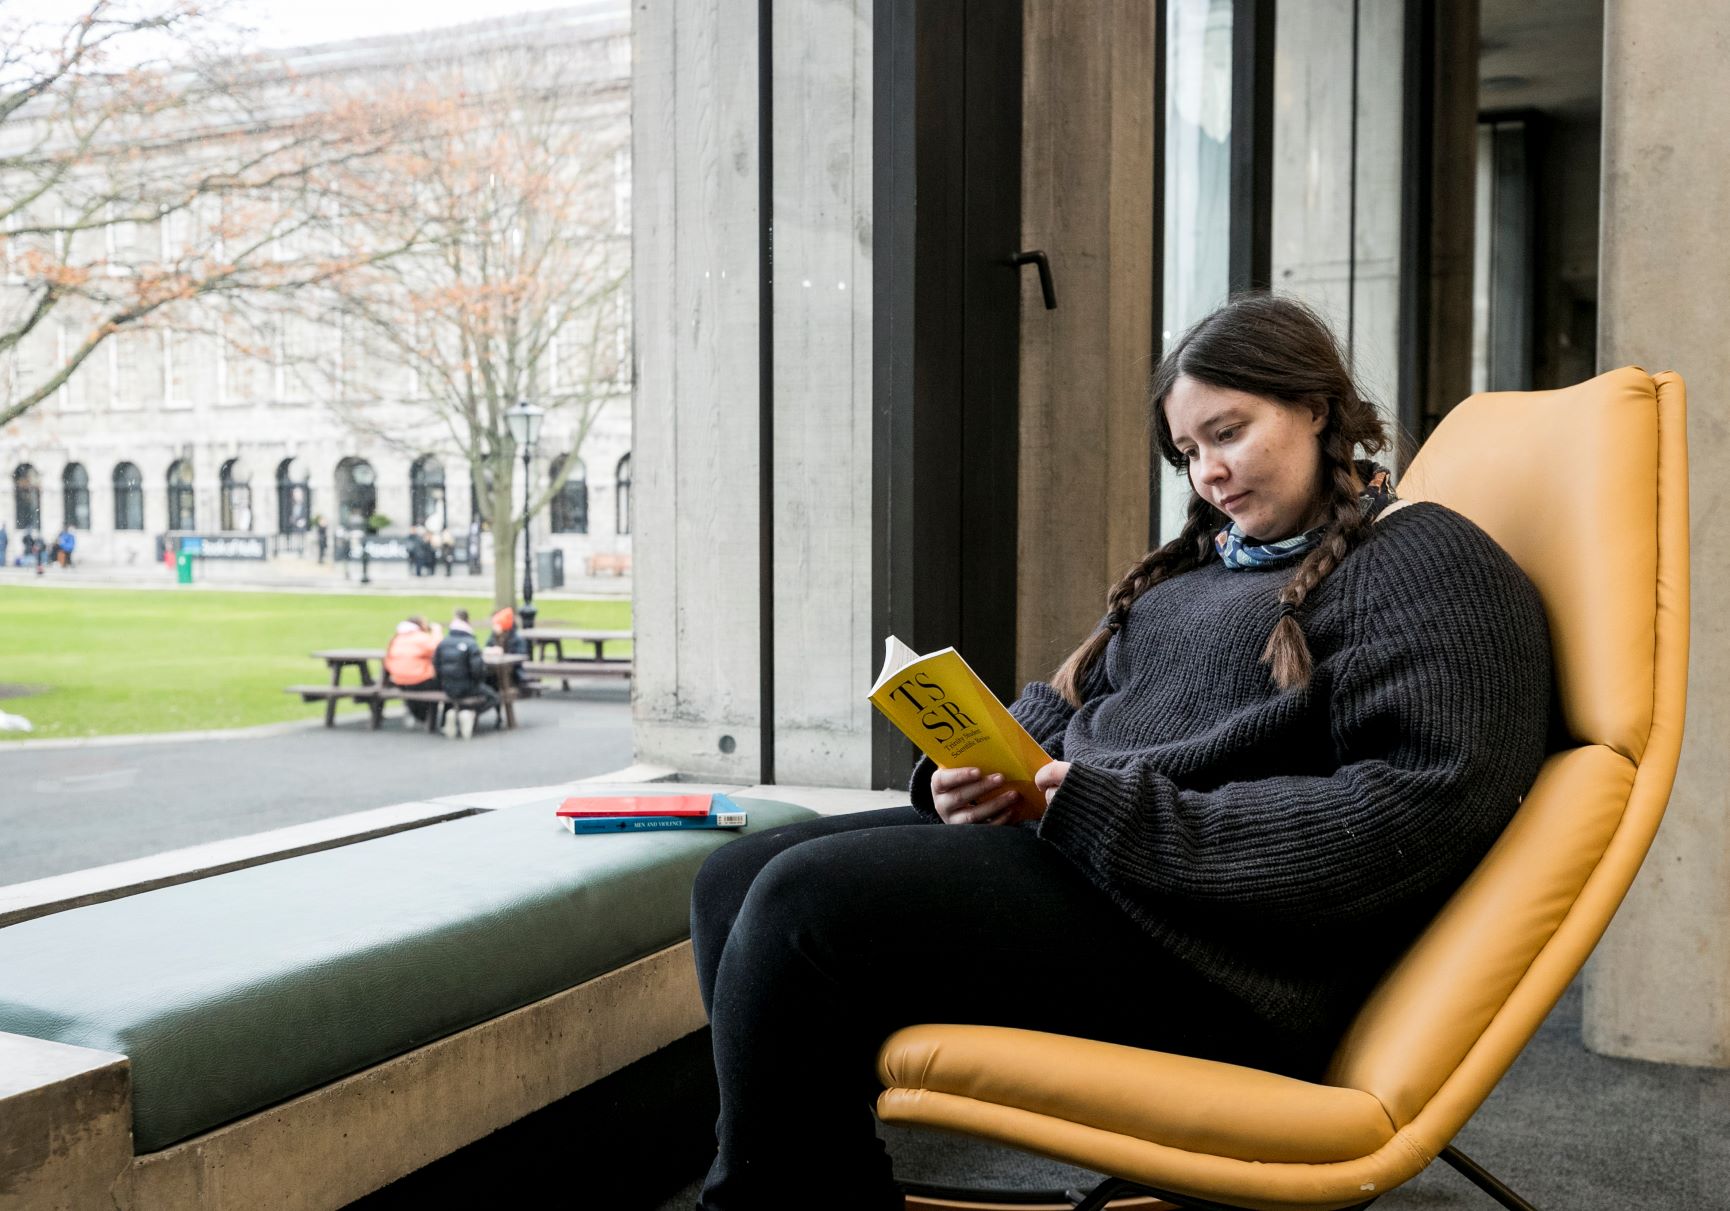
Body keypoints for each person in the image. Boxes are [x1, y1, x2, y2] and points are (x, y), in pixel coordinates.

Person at [685, 294, 1554, 1210]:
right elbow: (1083, 704)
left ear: (1315, 407)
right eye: (1188, 453)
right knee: (735, 875)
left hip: (1219, 954)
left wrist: (1111, 813)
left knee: (802, 903)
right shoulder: (1218, 561)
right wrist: (966, 773)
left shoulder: (1430, 564)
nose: (1210, 474)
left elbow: (1411, 811)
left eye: (1229, 433)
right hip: (1103, 869)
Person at [433, 608, 498, 739]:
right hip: (467, 687)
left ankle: (453, 712)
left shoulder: (443, 642)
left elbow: (436, 664)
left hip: (447, 687)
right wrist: (479, 681)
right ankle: (468, 712)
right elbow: (477, 670)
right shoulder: (471, 643)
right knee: (494, 697)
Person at [382, 615, 442, 724]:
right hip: (420, 681)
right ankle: (433, 719)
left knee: (412, 687)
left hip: (398, 681)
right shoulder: (421, 637)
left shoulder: (396, 638)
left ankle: (418, 714)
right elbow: (438, 648)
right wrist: (436, 631)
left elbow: (387, 661)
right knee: (443, 684)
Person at [484, 605, 530, 689]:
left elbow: (521, 656)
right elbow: (487, 647)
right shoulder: (494, 636)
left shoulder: (516, 638)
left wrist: (504, 653)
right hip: (495, 669)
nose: (494, 627)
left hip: (513, 672)